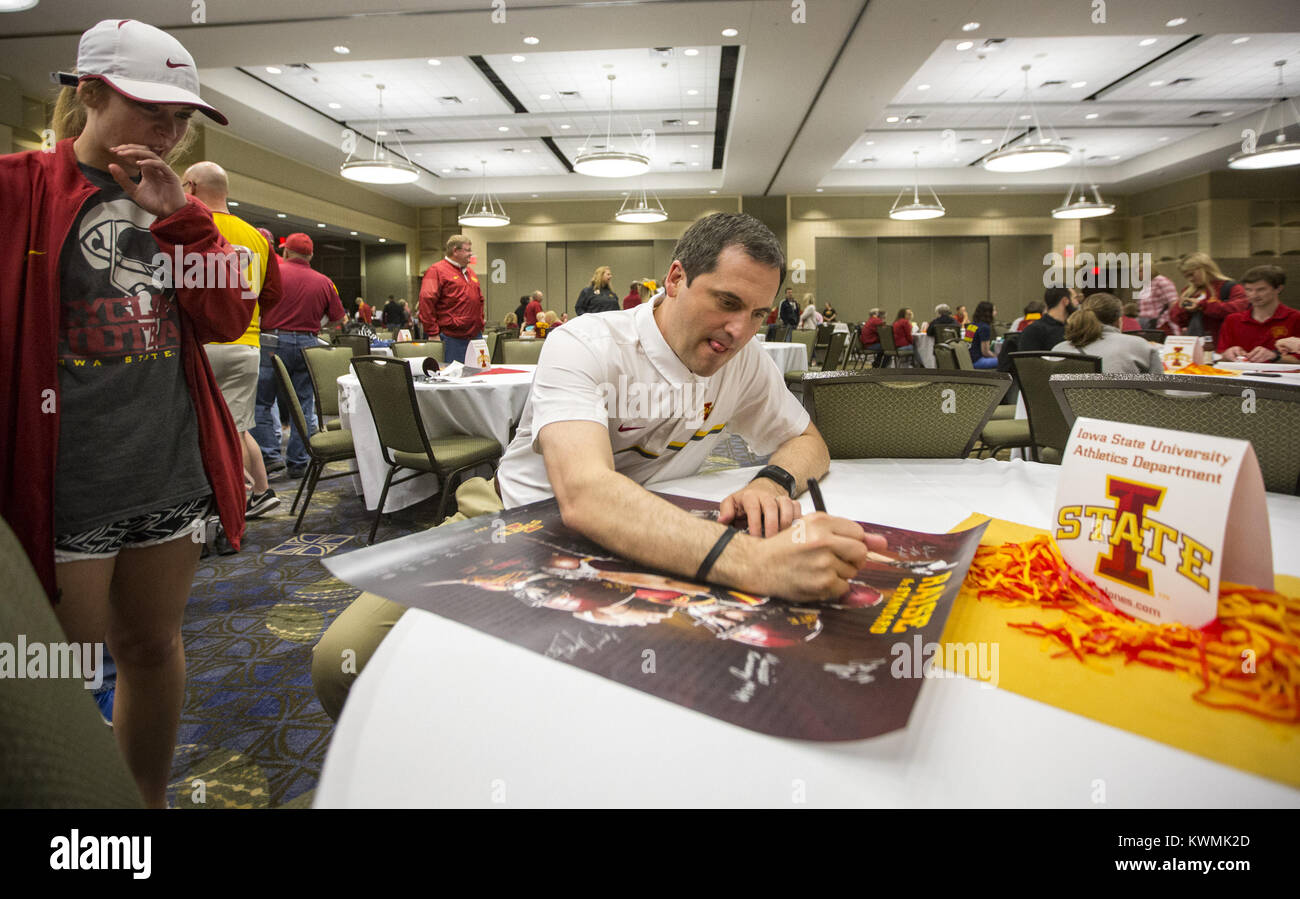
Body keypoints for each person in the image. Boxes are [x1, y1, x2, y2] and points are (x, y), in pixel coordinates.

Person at [312, 212, 886, 720]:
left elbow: (809, 442)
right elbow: (584, 494)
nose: (740, 331)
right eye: (728, 302)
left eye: (759, 313)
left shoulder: (746, 360)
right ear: (677, 278)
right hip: (515, 520)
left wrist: (773, 477)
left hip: (644, 527)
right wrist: (752, 562)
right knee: (343, 660)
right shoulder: (585, 342)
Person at [0, 18, 251, 807]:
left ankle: (141, 805)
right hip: (68, 473)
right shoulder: (20, 187)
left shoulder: (175, 205)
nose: (171, 133)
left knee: (150, 644)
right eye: (155, 112)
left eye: (182, 119)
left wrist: (184, 219)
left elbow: (222, 316)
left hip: (165, 465)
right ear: (92, 94)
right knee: (56, 671)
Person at [183, 161, 284, 519]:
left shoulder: (186, 227)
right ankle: (255, 494)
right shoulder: (256, 236)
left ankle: (228, 507)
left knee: (208, 432)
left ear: (191, 187)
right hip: (246, 343)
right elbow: (272, 293)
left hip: (198, 344)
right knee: (236, 428)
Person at [253, 233, 346, 479]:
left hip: (272, 340)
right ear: (311, 255)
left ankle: (270, 458)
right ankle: (298, 461)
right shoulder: (324, 281)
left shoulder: (272, 273)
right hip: (308, 342)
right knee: (303, 403)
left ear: (285, 252)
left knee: (262, 402)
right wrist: (316, 323)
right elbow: (338, 318)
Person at [1051, 293, 1163, 374]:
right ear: (1119, 320)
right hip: (1121, 406)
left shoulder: (1057, 351)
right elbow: (1159, 392)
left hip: (1067, 407)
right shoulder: (1138, 345)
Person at [418, 234, 484, 364]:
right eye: (467, 250)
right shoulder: (436, 270)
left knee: (478, 377)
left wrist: (480, 323)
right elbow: (426, 300)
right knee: (452, 379)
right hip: (451, 338)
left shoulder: (470, 273)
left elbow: (479, 299)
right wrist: (433, 333)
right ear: (455, 250)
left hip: (475, 336)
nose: (471, 254)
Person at [1218, 265, 1300, 363]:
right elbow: (1221, 356)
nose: (1254, 295)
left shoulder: (1295, 318)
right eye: (1249, 290)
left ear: (1278, 289)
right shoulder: (1232, 320)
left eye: (1261, 290)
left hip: (1282, 376)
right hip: (1241, 376)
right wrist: (1228, 354)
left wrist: (1274, 357)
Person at [1169, 252, 1248, 344]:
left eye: (1191, 274)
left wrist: (1203, 305)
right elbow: (1177, 319)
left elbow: (1239, 309)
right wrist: (1183, 309)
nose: (1190, 279)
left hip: (1224, 344)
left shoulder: (1230, 287)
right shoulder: (1188, 292)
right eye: (1186, 276)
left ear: (1204, 269)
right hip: (1196, 344)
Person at [1019, 287, 1075, 353]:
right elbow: (1029, 362)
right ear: (1065, 301)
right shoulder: (1034, 330)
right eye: (1075, 298)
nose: (1078, 303)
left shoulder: (1074, 328)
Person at [1136, 257, 1178, 333]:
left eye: (1141, 271)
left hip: (1162, 324)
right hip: (1147, 325)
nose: (1138, 274)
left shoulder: (1161, 281)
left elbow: (1173, 302)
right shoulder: (1146, 286)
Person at [967, 301, 999, 369]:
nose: (996, 313)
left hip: (969, 360)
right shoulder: (984, 328)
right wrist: (996, 356)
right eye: (994, 310)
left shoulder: (971, 325)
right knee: (1006, 361)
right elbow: (985, 352)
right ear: (988, 313)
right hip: (977, 361)